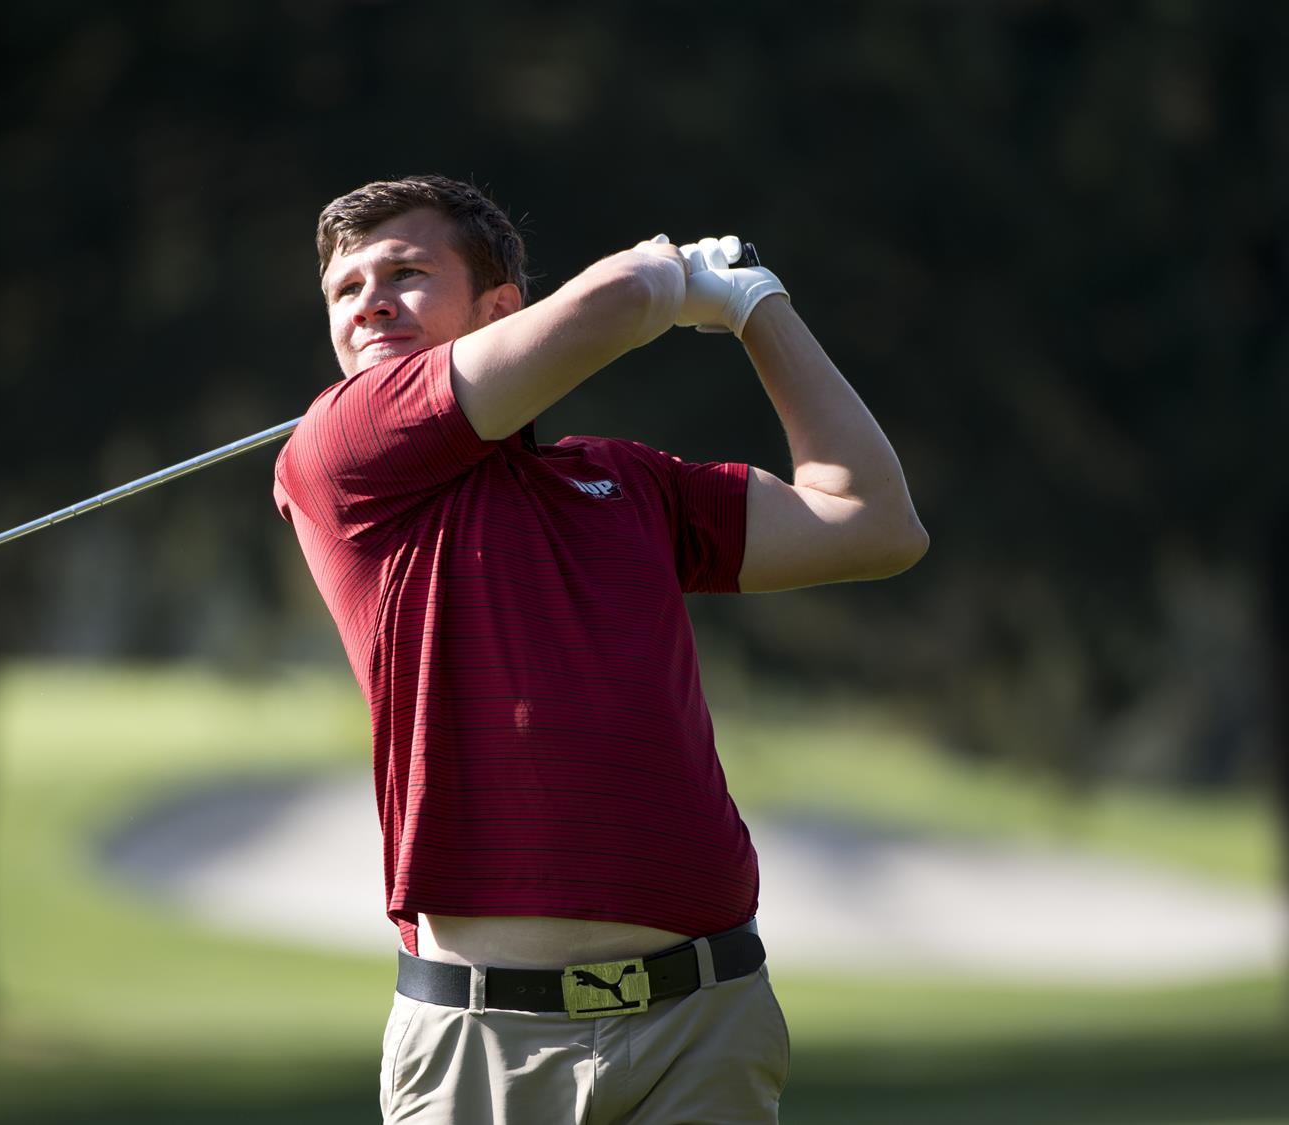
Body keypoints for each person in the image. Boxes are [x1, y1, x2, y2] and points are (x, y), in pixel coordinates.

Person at [273, 175, 927, 1124]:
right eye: (345, 289)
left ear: (500, 309)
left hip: (704, 1021)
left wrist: (757, 305)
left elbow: (873, 522)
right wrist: (670, 273)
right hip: (484, 1041)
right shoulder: (340, 445)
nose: (370, 300)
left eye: (407, 272)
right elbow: (619, 302)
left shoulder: (628, 482)